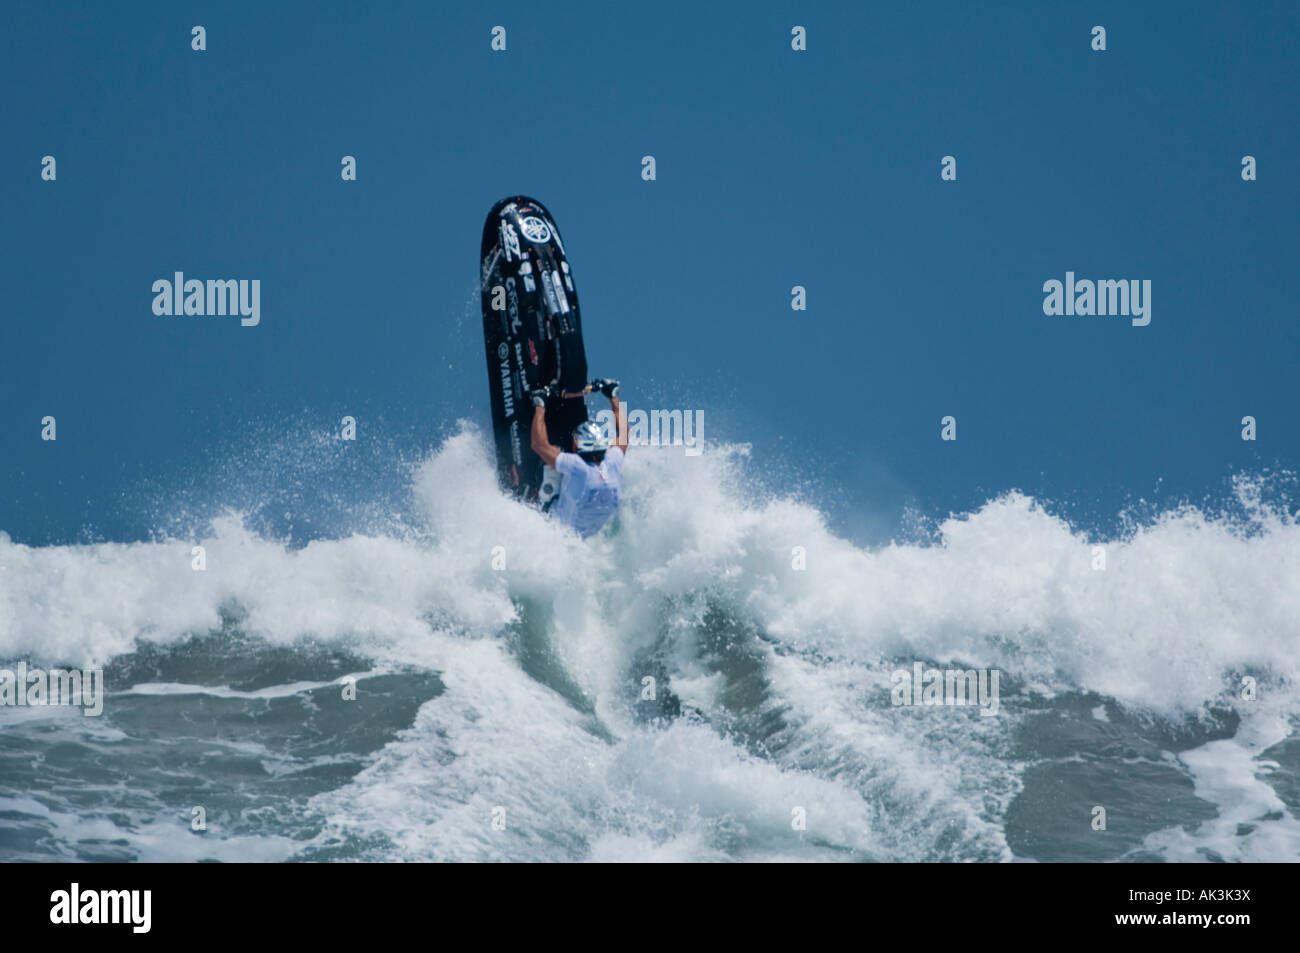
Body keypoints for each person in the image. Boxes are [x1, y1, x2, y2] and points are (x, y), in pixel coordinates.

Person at [529, 378, 628, 538]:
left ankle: (533, 495)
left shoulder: (577, 466)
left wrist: (540, 405)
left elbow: (538, 445)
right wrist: (613, 396)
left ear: (576, 446)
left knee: (551, 460)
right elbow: (624, 435)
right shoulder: (612, 462)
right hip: (584, 537)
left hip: (554, 528)